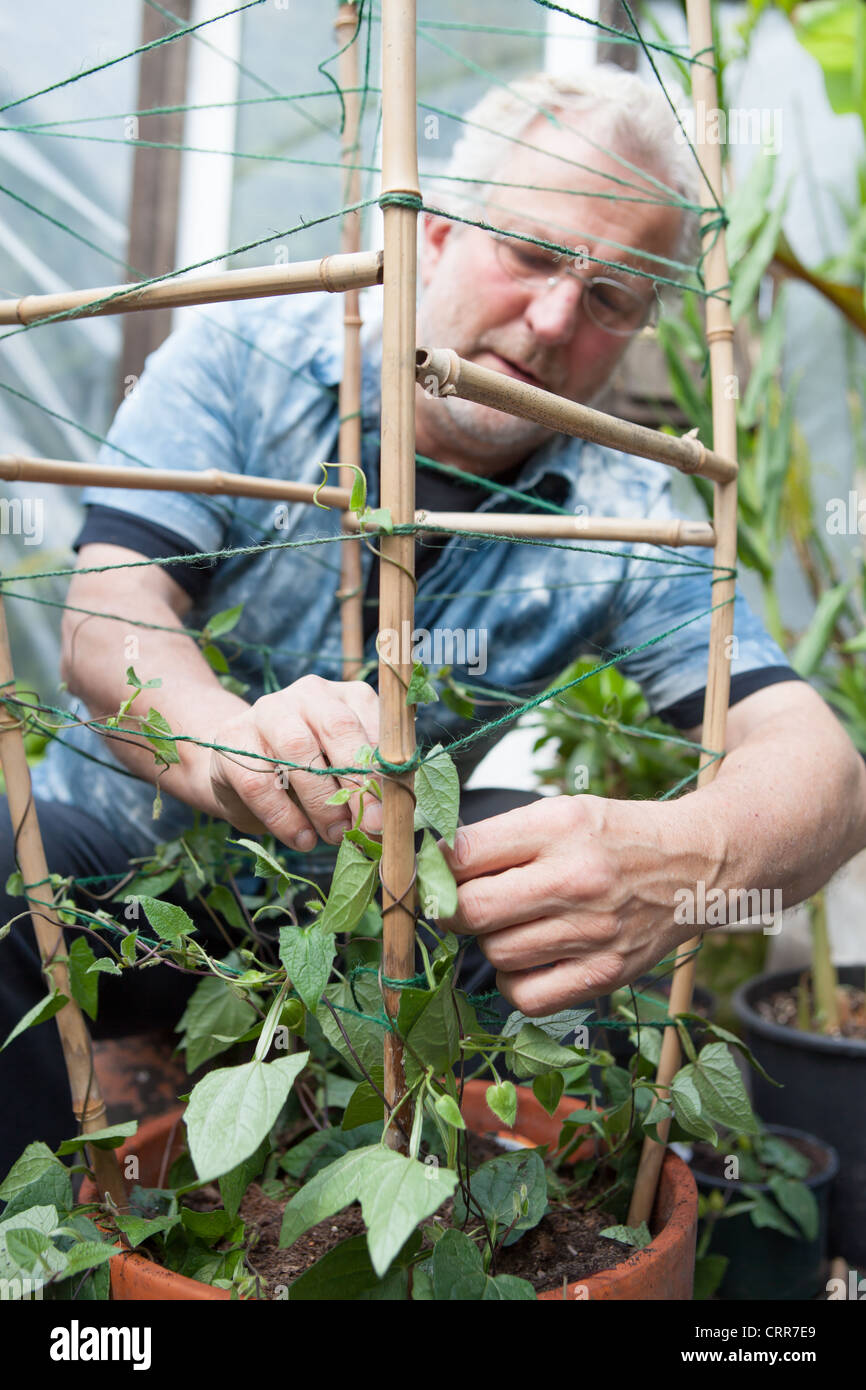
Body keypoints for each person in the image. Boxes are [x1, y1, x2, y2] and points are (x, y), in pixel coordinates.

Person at [2, 68, 865, 1174]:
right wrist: (228, 739)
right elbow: (107, 620)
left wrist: (685, 858)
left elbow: (821, 767)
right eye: (532, 251)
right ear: (438, 233)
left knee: (567, 912)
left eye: (610, 298)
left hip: (378, 910)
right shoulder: (247, 362)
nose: (555, 318)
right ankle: (58, 1255)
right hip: (134, 869)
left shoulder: (628, 509)